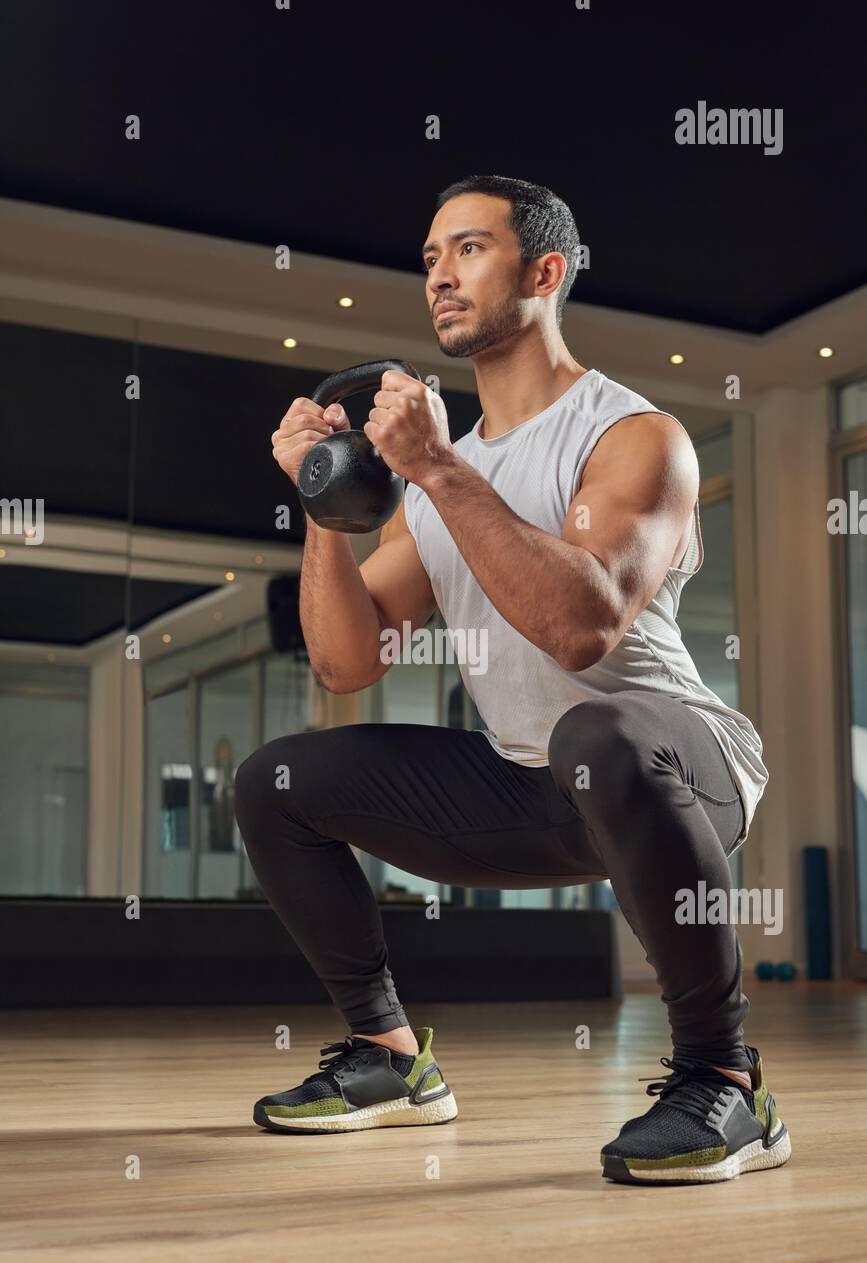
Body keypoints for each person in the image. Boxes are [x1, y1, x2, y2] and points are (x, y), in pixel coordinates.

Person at [236, 174, 790, 1184]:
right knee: (275, 781)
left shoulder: (633, 435)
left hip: (684, 765)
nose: (440, 276)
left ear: (546, 270)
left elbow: (581, 630)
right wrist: (326, 507)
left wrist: (442, 472)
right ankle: (387, 1057)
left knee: (598, 732)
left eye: (469, 250)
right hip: (533, 785)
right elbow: (346, 663)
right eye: (430, 258)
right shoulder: (439, 475)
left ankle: (726, 1078)